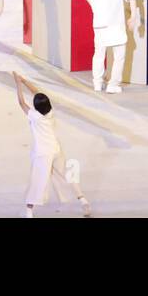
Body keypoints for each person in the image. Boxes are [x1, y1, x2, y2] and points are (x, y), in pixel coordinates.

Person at [12, 72, 91, 218]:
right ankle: (82, 199)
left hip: (42, 153)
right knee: (67, 175)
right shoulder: (50, 112)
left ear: (36, 106)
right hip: (55, 149)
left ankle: (29, 210)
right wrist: (24, 81)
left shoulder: (35, 116)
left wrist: (18, 84)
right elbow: (38, 93)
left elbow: (21, 103)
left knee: (38, 181)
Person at [76, 0, 141, 93]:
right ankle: (113, 85)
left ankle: (97, 84)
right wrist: (133, 17)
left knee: (99, 55)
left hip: (99, 27)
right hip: (115, 26)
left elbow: (94, 8)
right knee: (119, 57)